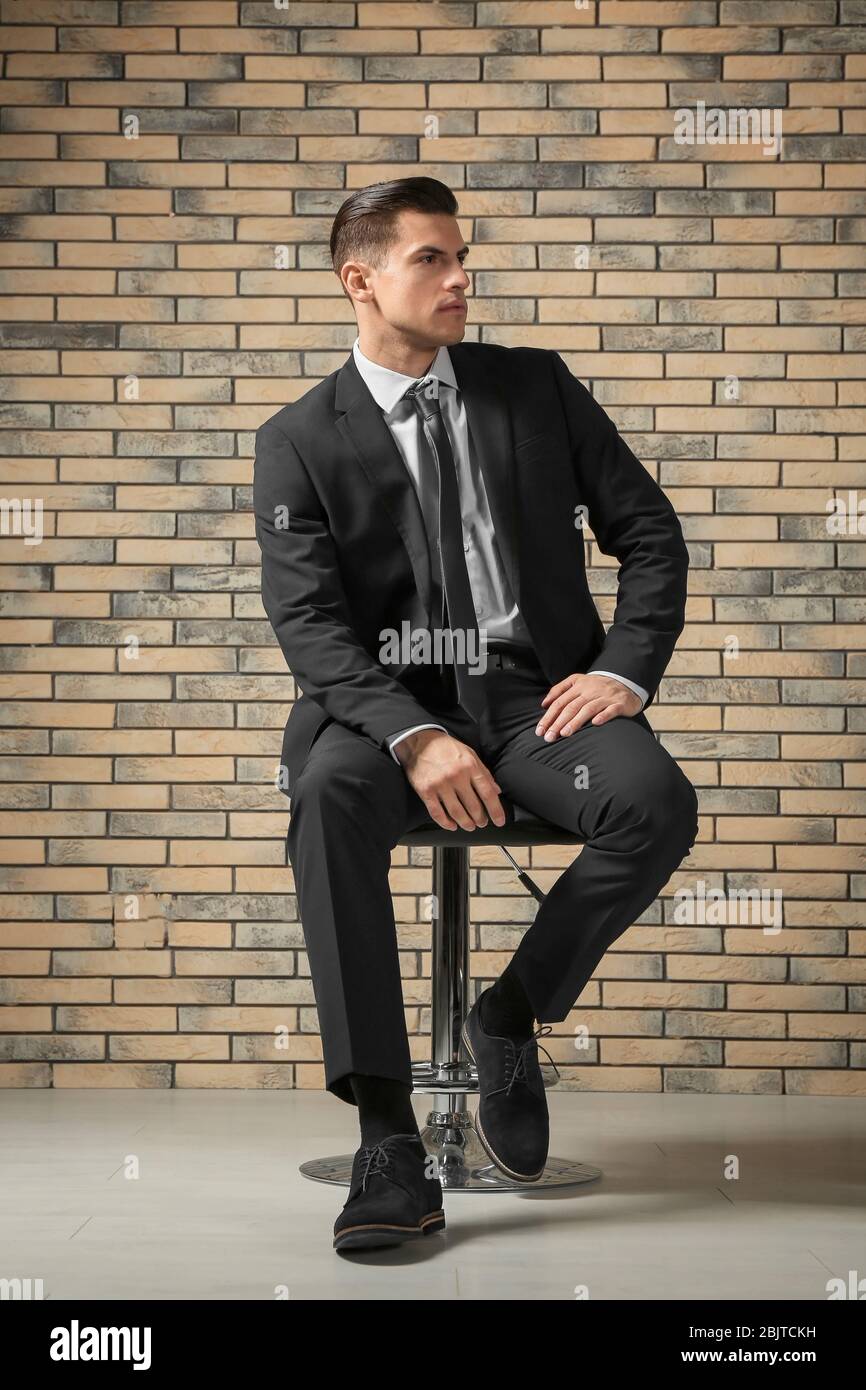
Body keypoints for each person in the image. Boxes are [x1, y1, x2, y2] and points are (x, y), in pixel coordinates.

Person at [253, 176, 698, 1254]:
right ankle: (386, 1140)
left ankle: (505, 1015)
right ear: (360, 280)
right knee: (325, 803)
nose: (460, 278)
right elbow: (311, 629)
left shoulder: (531, 388)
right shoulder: (299, 437)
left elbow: (648, 532)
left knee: (652, 804)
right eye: (431, 260)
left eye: (462, 256)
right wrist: (413, 732)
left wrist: (623, 672)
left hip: (530, 699)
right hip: (380, 708)